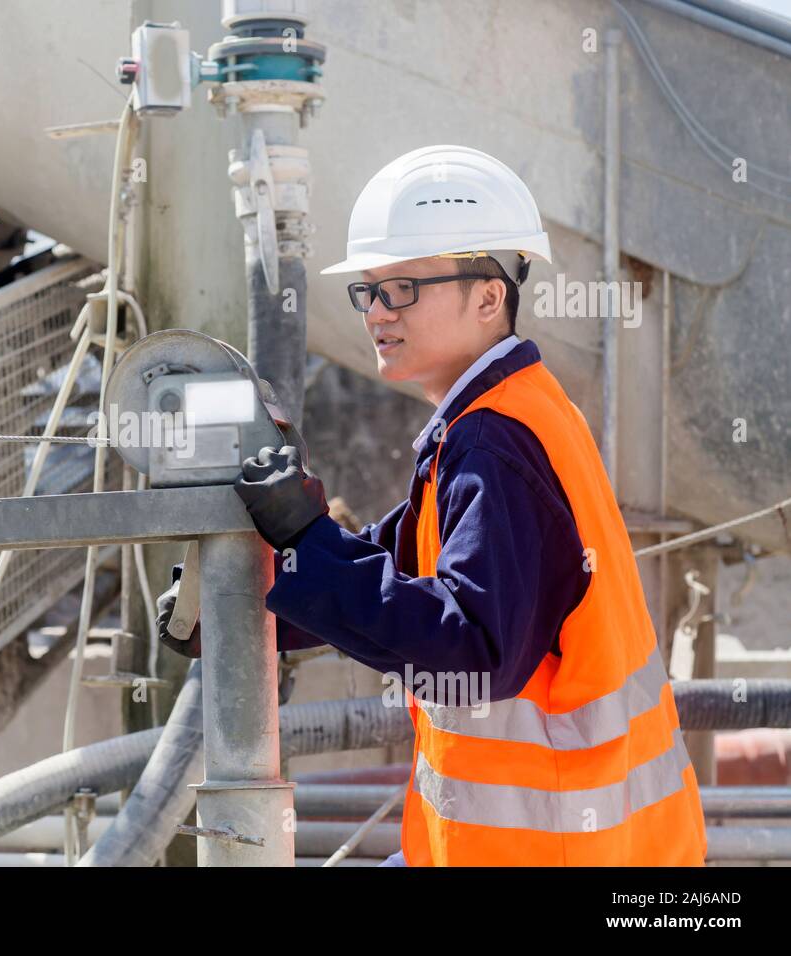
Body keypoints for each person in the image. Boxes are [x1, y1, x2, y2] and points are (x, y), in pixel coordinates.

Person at [156, 145, 707, 867]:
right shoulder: (505, 416)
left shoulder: (493, 441)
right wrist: (240, 607)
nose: (377, 312)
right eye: (369, 290)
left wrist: (309, 538)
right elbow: (401, 572)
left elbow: (472, 651)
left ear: (488, 296)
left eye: (405, 288)